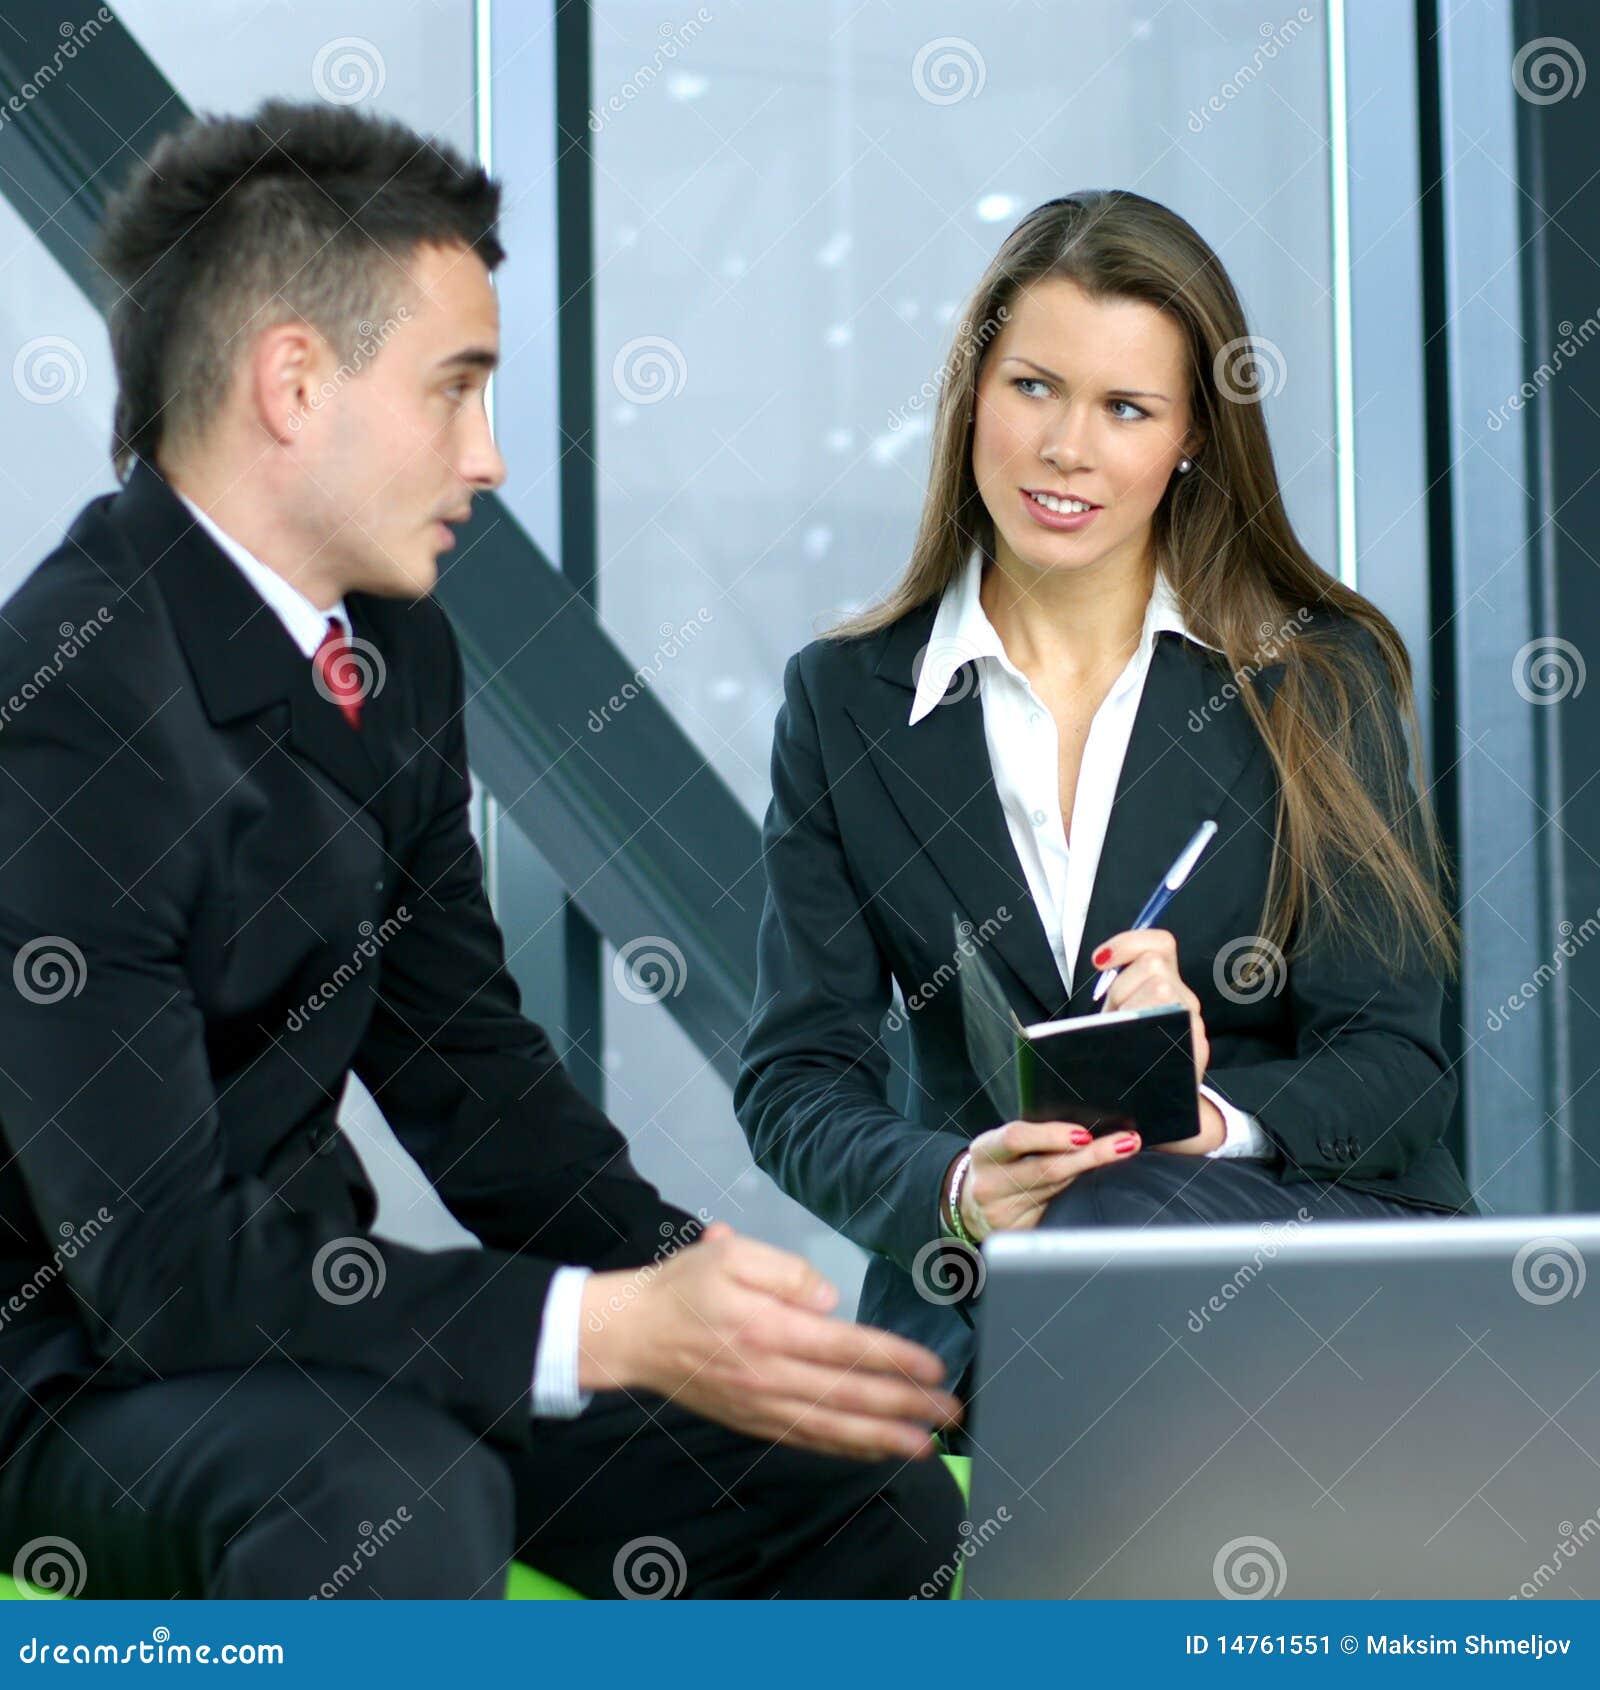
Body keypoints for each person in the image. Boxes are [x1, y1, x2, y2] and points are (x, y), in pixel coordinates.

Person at [0, 99, 963, 1600]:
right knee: (399, 1492)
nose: (491, 455)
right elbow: (161, 1270)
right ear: (294, 383)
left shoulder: (392, 653)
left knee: (849, 1480)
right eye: (456, 390)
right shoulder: (67, 705)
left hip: (304, 1332)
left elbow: (467, 1065)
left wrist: (694, 1289)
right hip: (77, 1378)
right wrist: (607, 1329)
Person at [735, 190, 1476, 1404]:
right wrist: (957, 1187)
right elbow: (795, 1079)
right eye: (1033, 386)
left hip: (1293, 1275)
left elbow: (1396, 1060)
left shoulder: (1312, 678)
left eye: (1125, 408)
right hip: (1004, 1307)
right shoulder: (845, 702)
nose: (1065, 448)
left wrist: (1206, 1116)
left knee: (1122, 1214)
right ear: (974, 392)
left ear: (1189, 439)